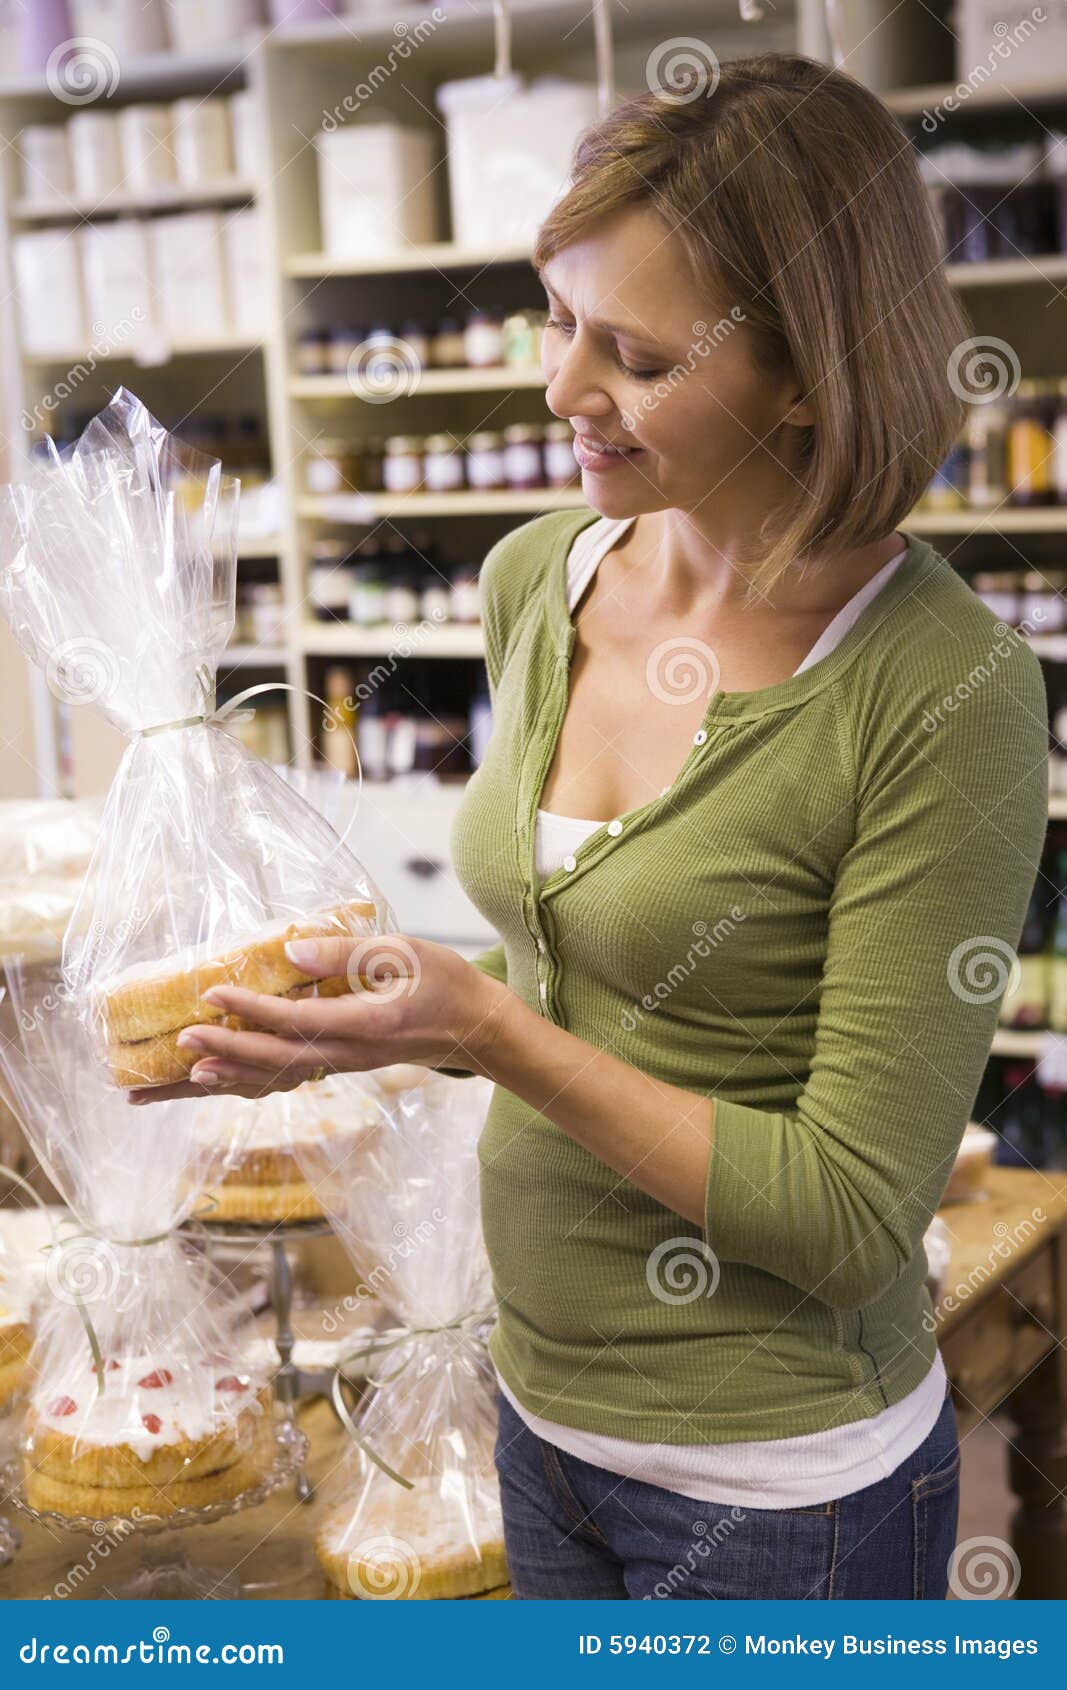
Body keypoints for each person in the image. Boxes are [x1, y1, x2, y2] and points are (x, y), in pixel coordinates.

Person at [133, 54, 1049, 1599]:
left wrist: (482, 1028)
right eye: (558, 320)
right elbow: (580, 980)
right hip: (538, 1408)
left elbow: (845, 1215)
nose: (562, 391)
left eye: (632, 353)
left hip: (777, 1488)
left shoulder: (946, 691)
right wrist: (388, 1013)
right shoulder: (540, 579)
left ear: (813, 373)